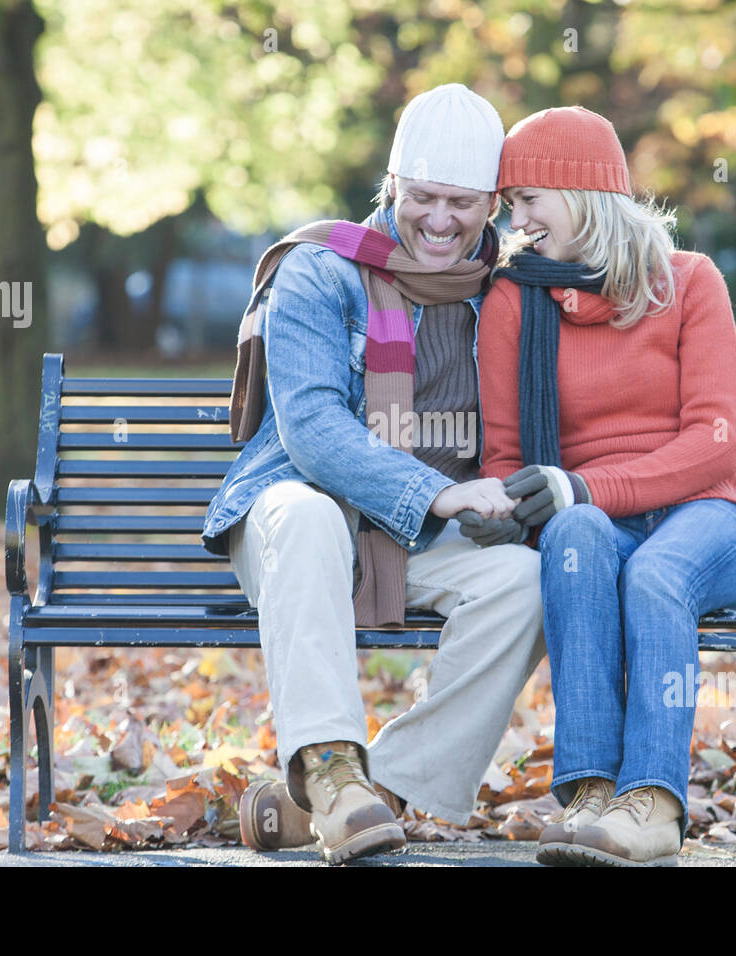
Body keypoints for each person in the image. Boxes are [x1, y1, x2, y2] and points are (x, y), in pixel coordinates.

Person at [200, 84, 546, 865]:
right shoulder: (320, 273)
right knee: (311, 513)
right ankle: (327, 773)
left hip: (423, 537)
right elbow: (315, 431)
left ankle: (377, 791)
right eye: (421, 196)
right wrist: (439, 491)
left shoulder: (508, 289)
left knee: (524, 582)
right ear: (392, 187)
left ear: (491, 203)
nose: (439, 220)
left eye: (461, 202)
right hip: (295, 517)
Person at [475, 106, 736, 866]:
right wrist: (507, 503)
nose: (519, 221)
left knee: (655, 570)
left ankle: (655, 802)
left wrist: (584, 487)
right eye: (511, 206)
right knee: (573, 537)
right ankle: (593, 790)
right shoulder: (518, 297)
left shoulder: (689, 283)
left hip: (704, 517)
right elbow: (506, 453)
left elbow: (714, 443)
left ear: (582, 192)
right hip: (592, 520)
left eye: (530, 200)